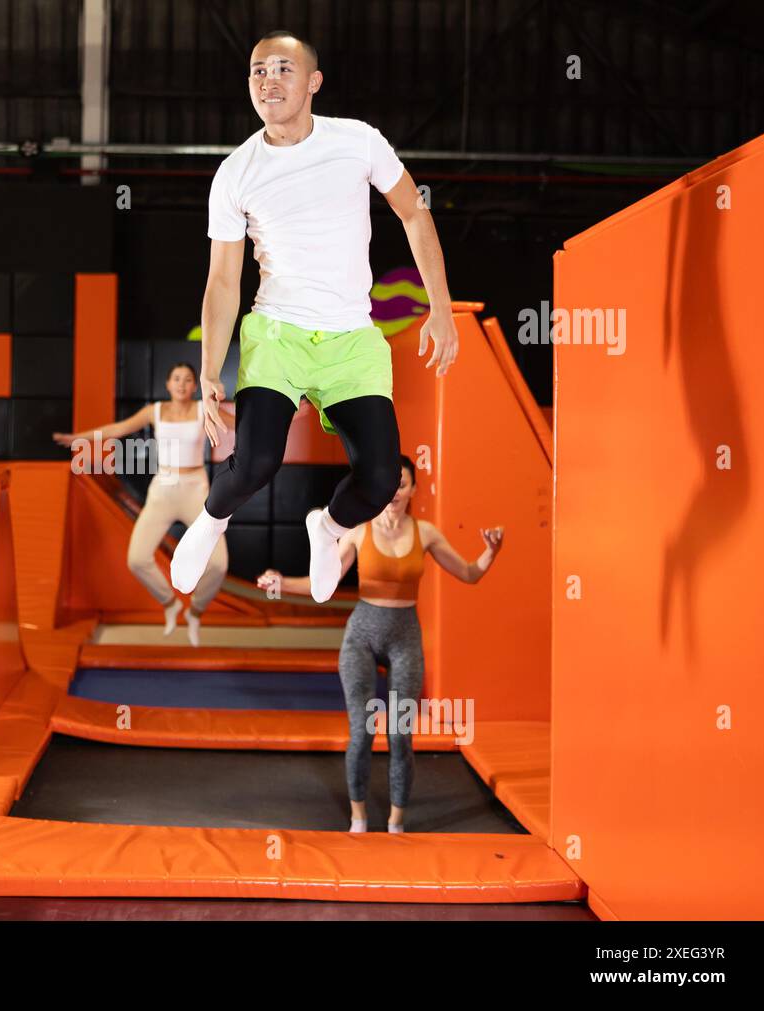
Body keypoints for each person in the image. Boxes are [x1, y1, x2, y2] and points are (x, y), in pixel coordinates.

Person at [171, 28, 459, 606]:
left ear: (313, 82)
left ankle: (326, 529)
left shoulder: (357, 142)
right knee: (254, 461)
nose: (268, 80)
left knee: (379, 480)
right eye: (257, 70)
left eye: (282, 68)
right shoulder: (236, 172)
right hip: (278, 332)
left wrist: (441, 308)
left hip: (351, 339)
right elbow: (224, 280)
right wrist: (208, 372)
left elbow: (413, 213)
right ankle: (211, 521)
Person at [257, 455, 504, 833]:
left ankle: (396, 823)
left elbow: (469, 574)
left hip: (405, 636)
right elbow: (323, 584)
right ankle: (358, 818)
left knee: (400, 734)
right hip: (362, 636)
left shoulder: (427, 533)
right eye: (388, 485)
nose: (393, 492)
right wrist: (281, 584)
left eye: (401, 484)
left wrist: (491, 552)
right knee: (362, 731)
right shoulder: (357, 530)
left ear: (412, 490)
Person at [53, 362, 234, 646]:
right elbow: (118, 428)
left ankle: (195, 612)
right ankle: (170, 604)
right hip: (163, 489)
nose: (182, 384)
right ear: (168, 384)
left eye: (188, 379)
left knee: (219, 564)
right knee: (137, 558)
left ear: (194, 386)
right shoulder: (155, 411)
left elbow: (239, 422)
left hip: (196, 491)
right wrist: (78, 439)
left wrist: (289, 414)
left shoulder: (203, 410)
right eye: (177, 379)